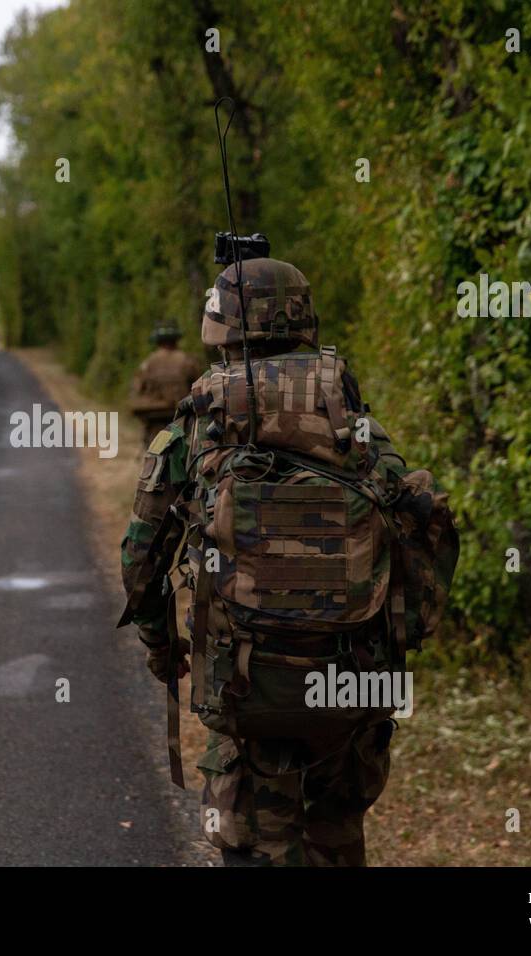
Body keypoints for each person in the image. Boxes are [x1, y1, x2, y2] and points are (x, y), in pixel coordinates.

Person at [119, 258, 458, 866]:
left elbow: (141, 558)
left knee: (255, 843)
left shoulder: (195, 430)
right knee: (335, 835)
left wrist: (161, 647)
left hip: (247, 682)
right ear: (304, 319)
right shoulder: (357, 429)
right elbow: (417, 522)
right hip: (353, 683)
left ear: (219, 328)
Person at [128, 326, 201, 448]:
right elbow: (198, 386)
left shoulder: (149, 362)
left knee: (156, 449)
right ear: (176, 341)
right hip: (180, 416)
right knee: (183, 446)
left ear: (158, 342)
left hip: (155, 414)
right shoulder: (187, 360)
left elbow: (138, 388)